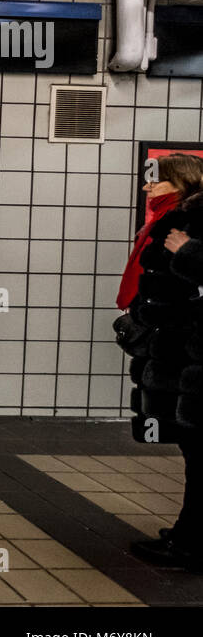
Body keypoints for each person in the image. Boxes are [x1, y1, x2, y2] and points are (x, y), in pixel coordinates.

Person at [119, 153, 203, 571]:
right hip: (182, 353)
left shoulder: (188, 223)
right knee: (194, 452)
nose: (148, 186)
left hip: (190, 353)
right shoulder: (175, 218)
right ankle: (189, 533)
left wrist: (189, 254)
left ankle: (190, 545)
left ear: (181, 183)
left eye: (158, 181)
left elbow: (179, 287)